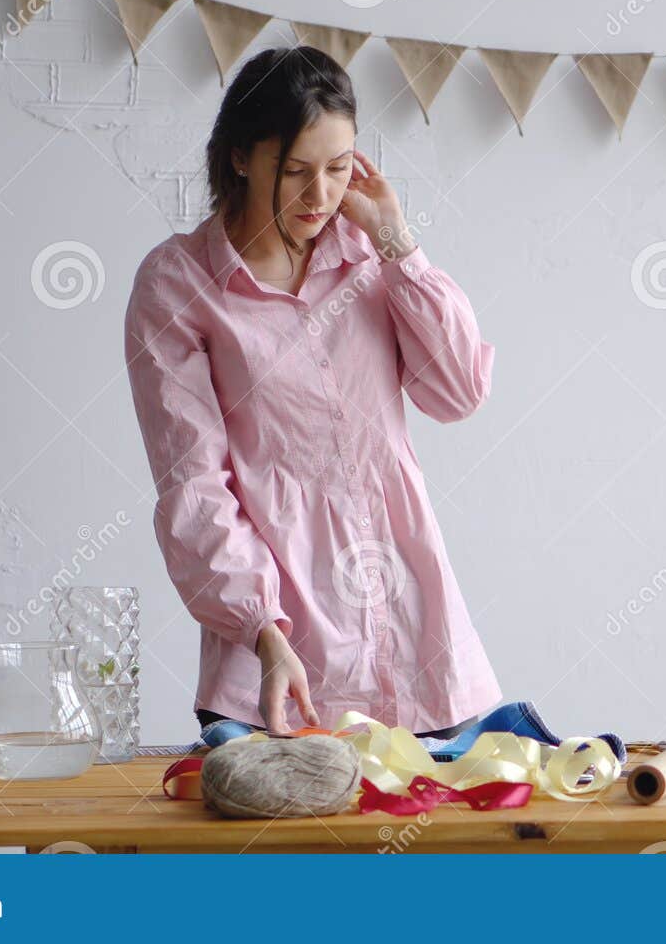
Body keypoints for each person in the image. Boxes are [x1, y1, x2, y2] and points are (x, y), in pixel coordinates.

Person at [124, 46, 502, 743]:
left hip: (419, 649)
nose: (320, 197)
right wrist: (263, 634)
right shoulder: (177, 287)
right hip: (275, 666)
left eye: (338, 169)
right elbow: (194, 487)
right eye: (296, 171)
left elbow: (459, 391)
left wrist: (399, 244)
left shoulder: (367, 255)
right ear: (241, 156)